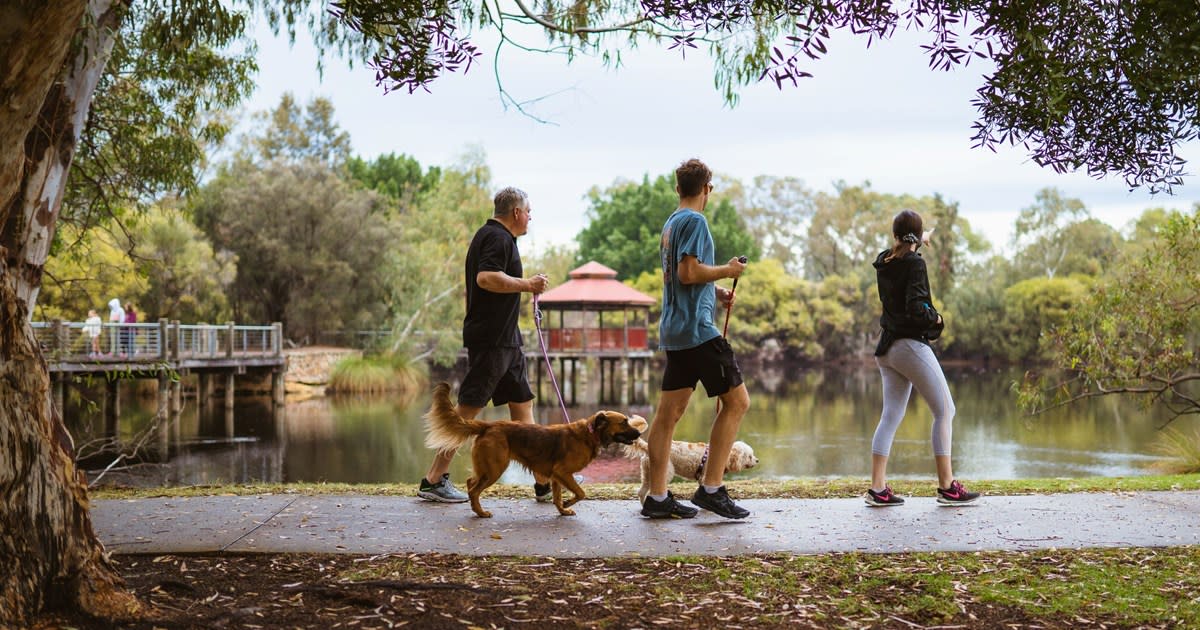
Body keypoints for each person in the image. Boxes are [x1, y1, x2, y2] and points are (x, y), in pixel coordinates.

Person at [417, 187, 552, 503]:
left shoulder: (500, 238)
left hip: (507, 341)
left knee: (523, 407)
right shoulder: (496, 238)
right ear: (516, 213)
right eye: (528, 211)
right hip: (491, 341)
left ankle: (544, 481)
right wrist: (528, 284)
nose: (531, 216)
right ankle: (433, 480)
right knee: (466, 413)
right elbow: (486, 278)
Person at [640, 158, 751, 520]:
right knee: (737, 403)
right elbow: (689, 272)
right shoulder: (696, 221)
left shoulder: (671, 224)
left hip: (675, 329)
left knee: (667, 415)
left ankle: (657, 497)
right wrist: (729, 270)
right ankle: (712, 488)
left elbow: (679, 275)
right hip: (697, 330)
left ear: (678, 189)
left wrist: (716, 291)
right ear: (707, 189)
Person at [865, 209, 979, 507]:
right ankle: (948, 486)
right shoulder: (914, 263)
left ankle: (877, 489)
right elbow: (917, 307)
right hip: (909, 346)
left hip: (886, 349)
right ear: (917, 236)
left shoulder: (884, 260)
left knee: (890, 416)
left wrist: (920, 238)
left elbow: (903, 248)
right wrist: (937, 319)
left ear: (894, 235)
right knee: (945, 411)